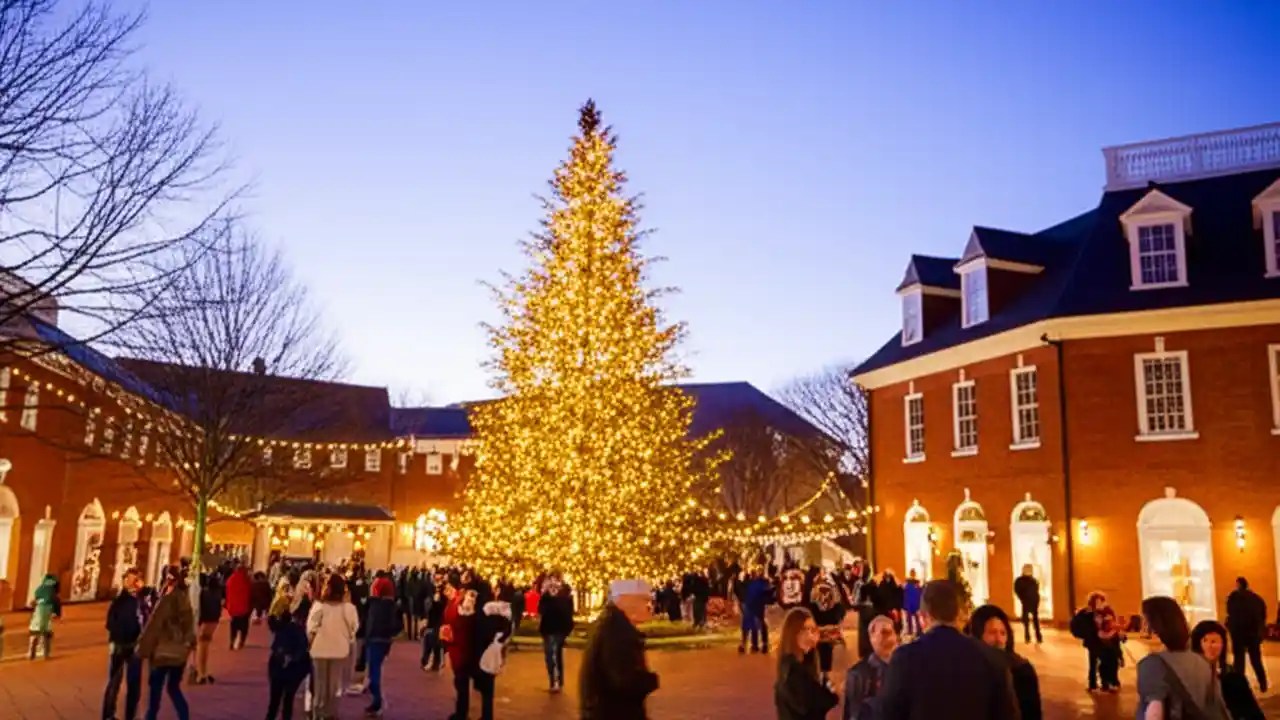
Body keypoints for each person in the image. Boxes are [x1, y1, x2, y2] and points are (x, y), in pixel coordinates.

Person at [877, 579, 1020, 720]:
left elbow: (889, 713)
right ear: (960, 614)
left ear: (923, 617)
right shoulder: (992, 658)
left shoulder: (905, 658)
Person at [1135, 595, 1231, 720]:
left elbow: (1154, 712)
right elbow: (1216, 707)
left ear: (1153, 626)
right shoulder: (1201, 662)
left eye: (1143, 621)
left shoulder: (1153, 665)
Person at [580, 579, 659, 720]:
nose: (649, 606)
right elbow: (624, 680)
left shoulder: (610, 624)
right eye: (644, 600)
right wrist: (650, 680)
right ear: (627, 601)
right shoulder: (617, 631)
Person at [137, 570, 195, 720]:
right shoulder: (186, 601)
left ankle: (151, 717)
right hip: (179, 654)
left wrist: (142, 650)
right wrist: (187, 647)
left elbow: (154, 627)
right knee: (173, 688)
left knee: (155, 692)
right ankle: (184, 715)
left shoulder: (166, 601)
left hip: (161, 653)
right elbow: (190, 630)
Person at [968, 604, 1043, 720]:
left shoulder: (1021, 670)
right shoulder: (967, 669)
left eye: (1003, 633)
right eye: (992, 632)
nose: (999, 639)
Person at [306, 573, 358, 720]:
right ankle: (331, 713)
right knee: (334, 686)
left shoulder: (319, 606)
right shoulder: (349, 609)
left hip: (319, 649)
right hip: (339, 650)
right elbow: (354, 628)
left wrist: (310, 642)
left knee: (319, 685)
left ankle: (318, 712)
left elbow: (310, 629)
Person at [774, 607, 839, 720]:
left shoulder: (804, 665)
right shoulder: (793, 671)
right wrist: (832, 692)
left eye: (813, 629)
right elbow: (809, 705)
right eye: (805, 630)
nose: (810, 635)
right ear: (793, 633)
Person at [1192, 620, 1264, 720]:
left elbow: (1253, 713)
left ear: (1223, 644)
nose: (1210, 646)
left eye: (1214, 641)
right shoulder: (1189, 676)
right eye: (1205, 641)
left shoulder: (1233, 678)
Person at [103, 567, 145, 720]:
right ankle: (108, 714)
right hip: (121, 645)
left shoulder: (141, 601)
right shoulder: (120, 601)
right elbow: (109, 623)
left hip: (134, 646)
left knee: (133, 685)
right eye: (129, 580)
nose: (132, 583)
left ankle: (130, 715)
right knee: (115, 682)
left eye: (135, 580)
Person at [442, 574, 482, 720]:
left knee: (461, 682)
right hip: (455, 647)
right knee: (459, 682)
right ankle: (460, 711)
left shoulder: (463, 602)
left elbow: (465, 622)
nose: (446, 591)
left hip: (462, 647)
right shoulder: (452, 602)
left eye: (449, 588)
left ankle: (462, 714)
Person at [266, 591, 311, 720]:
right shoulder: (296, 629)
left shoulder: (284, 629)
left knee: (276, 700)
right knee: (286, 699)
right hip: (292, 665)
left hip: (283, 665)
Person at [843, 614, 897, 720]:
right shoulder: (857, 674)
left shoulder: (904, 667)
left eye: (892, 632)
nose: (889, 638)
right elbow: (854, 713)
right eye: (884, 633)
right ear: (872, 638)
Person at [363, 574, 403, 717]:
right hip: (382, 640)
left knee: (374, 673)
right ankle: (376, 701)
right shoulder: (390, 606)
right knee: (373, 671)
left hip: (376, 639)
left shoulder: (377, 605)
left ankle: (378, 701)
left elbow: (370, 623)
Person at [1225, 577, 1268, 692]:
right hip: (1253, 634)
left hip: (1238, 634)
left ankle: (1240, 686)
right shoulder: (1256, 599)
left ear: (1238, 584)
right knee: (1256, 660)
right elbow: (1263, 615)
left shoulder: (1233, 598)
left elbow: (1230, 613)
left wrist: (1231, 627)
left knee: (1239, 662)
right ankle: (1263, 683)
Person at [539, 572, 575, 692]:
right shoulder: (546, 597)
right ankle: (554, 681)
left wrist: (567, 630)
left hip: (558, 630)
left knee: (554, 654)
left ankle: (557, 681)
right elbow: (541, 610)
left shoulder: (565, 596)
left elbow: (568, 614)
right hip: (549, 629)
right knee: (550, 656)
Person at [1070, 591, 1105, 692]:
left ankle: (1104, 682)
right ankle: (1093, 683)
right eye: (1098, 601)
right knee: (1093, 662)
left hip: (1103, 640)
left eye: (1101, 601)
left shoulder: (1104, 612)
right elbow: (1078, 624)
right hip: (1093, 641)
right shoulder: (1086, 612)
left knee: (1103, 662)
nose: (1100, 604)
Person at [193, 572, 223, 683]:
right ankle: (204, 671)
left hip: (205, 621)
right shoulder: (217, 594)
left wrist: (198, 622)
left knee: (201, 647)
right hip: (213, 622)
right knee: (205, 646)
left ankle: (201, 673)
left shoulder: (203, 594)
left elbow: (199, 609)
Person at [1094, 598, 1125, 692]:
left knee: (1112, 669)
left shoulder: (1113, 633)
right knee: (1104, 669)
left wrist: (1120, 657)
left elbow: (1118, 646)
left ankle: (1112, 683)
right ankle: (1106, 683)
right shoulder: (1101, 633)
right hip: (1105, 656)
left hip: (1111, 656)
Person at [28, 573, 61, 659]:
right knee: (46, 632)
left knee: (35, 630)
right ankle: (46, 653)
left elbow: (34, 600)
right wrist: (57, 613)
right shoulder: (53, 592)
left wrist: (34, 606)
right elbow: (56, 603)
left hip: (38, 610)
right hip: (48, 611)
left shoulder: (39, 589)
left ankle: (31, 652)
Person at [421, 575, 446, 672]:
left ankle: (433, 662)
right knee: (430, 640)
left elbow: (441, 607)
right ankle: (427, 661)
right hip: (432, 620)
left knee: (434, 642)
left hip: (438, 621)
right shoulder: (431, 591)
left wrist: (436, 602)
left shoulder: (443, 594)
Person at [1013, 565, 1043, 645]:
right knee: (1029, 620)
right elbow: (1018, 590)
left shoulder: (1032, 580)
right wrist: (1022, 598)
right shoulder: (1025, 581)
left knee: (1033, 620)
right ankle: (1031, 636)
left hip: (1031, 602)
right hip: (1028, 601)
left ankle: (1035, 636)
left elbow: (1035, 590)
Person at [225, 563, 252, 650]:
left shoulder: (231, 579)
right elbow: (250, 592)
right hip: (244, 608)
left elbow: (227, 592)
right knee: (244, 627)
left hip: (234, 608)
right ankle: (241, 641)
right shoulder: (246, 580)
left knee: (234, 626)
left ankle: (232, 641)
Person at [901, 570, 922, 638]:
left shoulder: (915, 583)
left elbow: (919, 593)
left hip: (913, 603)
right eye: (912, 573)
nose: (913, 574)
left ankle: (916, 631)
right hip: (911, 603)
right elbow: (905, 594)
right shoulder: (911, 583)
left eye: (913, 573)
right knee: (911, 618)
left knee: (915, 618)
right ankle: (912, 630)